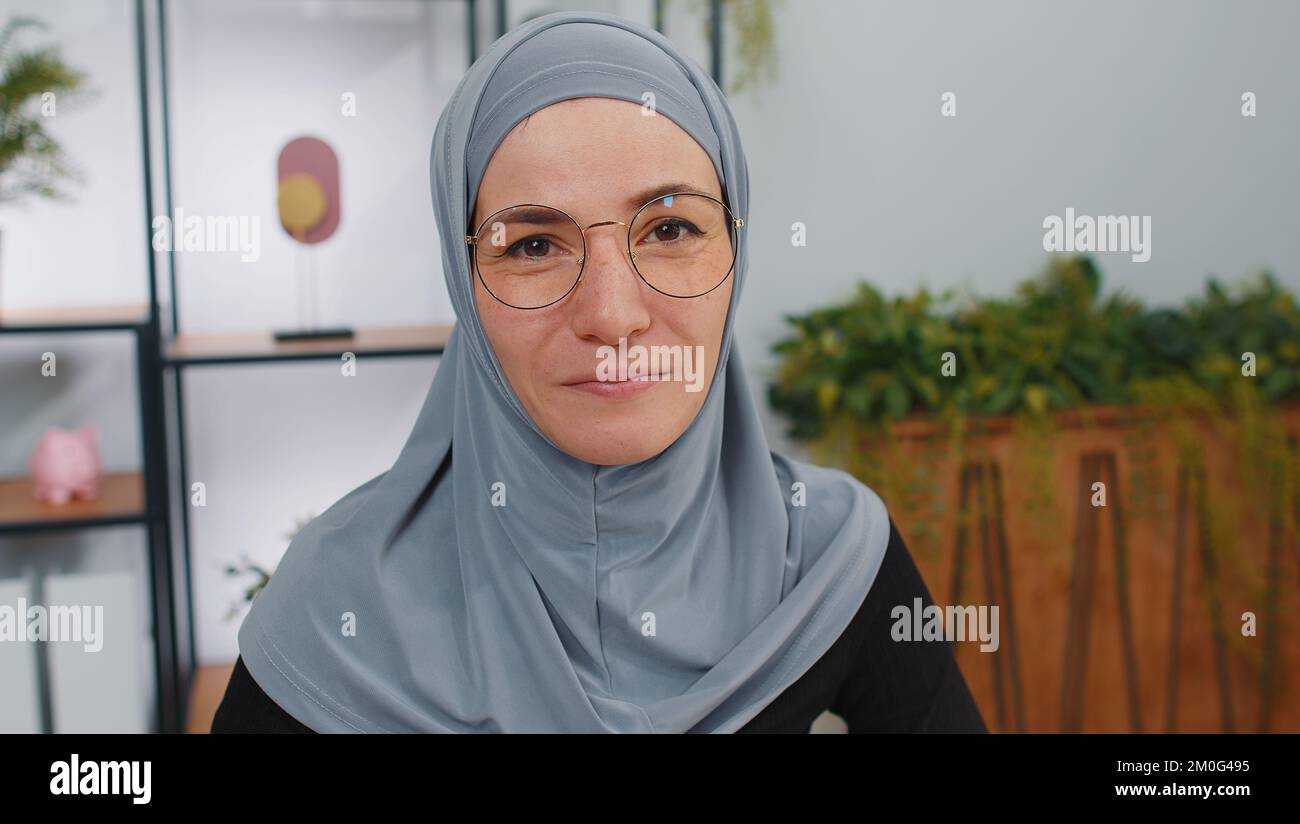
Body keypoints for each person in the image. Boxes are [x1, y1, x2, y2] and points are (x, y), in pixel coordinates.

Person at [212, 10, 986, 734]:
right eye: (533, 246)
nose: (612, 315)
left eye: (671, 228)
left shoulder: (827, 558)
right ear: (462, 277)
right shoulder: (334, 611)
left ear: (735, 250)